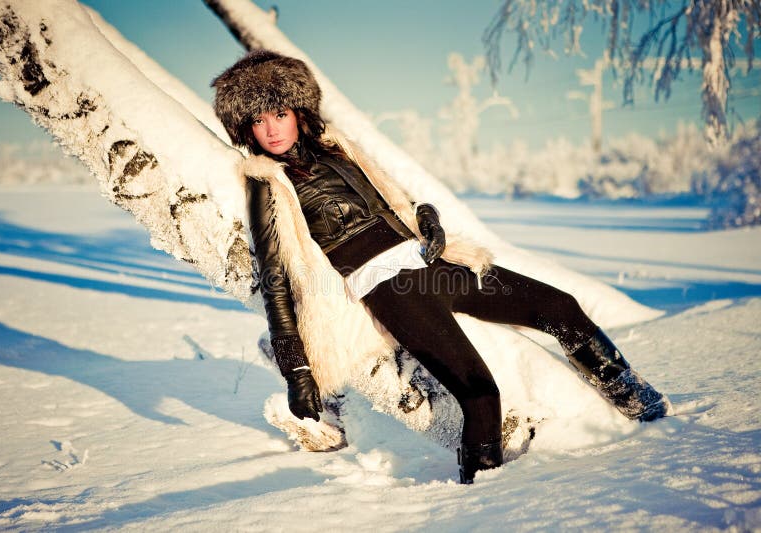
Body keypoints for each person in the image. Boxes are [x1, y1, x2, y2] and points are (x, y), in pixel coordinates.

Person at [211, 50, 668, 484]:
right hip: (392, 288)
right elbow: (276, 281)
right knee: (480, 393)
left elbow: (396, 201)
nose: (271, 129)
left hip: (430, 262)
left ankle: (643, 406)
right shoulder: (266, 184)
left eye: (279, 114)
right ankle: (484, 494)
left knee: (561, 307)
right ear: (246, 129)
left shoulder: (338, 150)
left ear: (299, 112)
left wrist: (426, 217)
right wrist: (297, 370)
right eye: (258, 120)